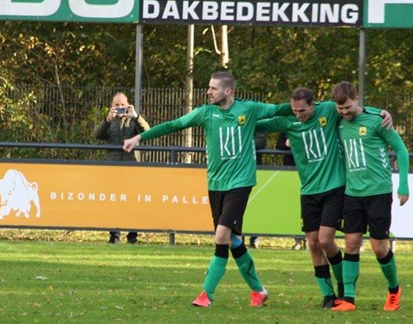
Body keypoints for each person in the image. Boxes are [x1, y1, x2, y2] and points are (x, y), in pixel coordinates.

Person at [123, 70, 291, 307]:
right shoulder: (206, 113)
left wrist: (317, 107)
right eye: (209, 87)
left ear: (228, 91)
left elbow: (279, 109)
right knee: (232, 240)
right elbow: (173, 125)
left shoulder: (248, 109)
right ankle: (259, 291)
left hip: (240, 183)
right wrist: (139, 138)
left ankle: (206, 295)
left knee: (221, 235)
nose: (208, 91)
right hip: (216, 184)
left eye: (213, 88)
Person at [258, 88, 392, 309]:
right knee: (312, 244)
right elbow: (259, 124)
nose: (298, 114)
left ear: (313, 105)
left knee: (325, 240)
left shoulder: (328, 111)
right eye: (294, 110)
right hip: (308, 190)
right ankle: (328, 295)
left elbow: (354, 108)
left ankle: (343, 288)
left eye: (302, 110)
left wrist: (381, 112)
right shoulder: (288, 121)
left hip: (334, 188)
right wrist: (237, 119)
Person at [332, 81, 409, 312]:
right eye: (340, 109)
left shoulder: (378, 120)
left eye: (347, 107)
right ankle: (349, 299)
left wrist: (403, 185)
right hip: (352, 193)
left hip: (378, 193)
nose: (344, 112)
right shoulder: (337, 121)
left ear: (356, 99)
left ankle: (394, 290)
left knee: (379, 247)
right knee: (351, 243)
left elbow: (402, 150)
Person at [94, 92, 150, 244]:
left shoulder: (133, 120)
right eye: (116, 105)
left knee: (133, 201)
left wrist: (136, 116)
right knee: (114, 202)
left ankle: (132, 236)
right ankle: (114, 235)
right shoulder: (109, 121)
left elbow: (147, 132)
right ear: (112, 106)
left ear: (128, 105)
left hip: (132, 167)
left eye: (122, 105)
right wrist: (106, 120)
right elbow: (97, 135)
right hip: (112, 167)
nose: (119, 108)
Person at [276, 131, 307, 251]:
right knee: (293, 207)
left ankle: (309, 240)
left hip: (308, 170)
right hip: (289, 169)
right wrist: (287, 143)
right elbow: (279, 146)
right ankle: (297, 240)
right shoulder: (287, 126)